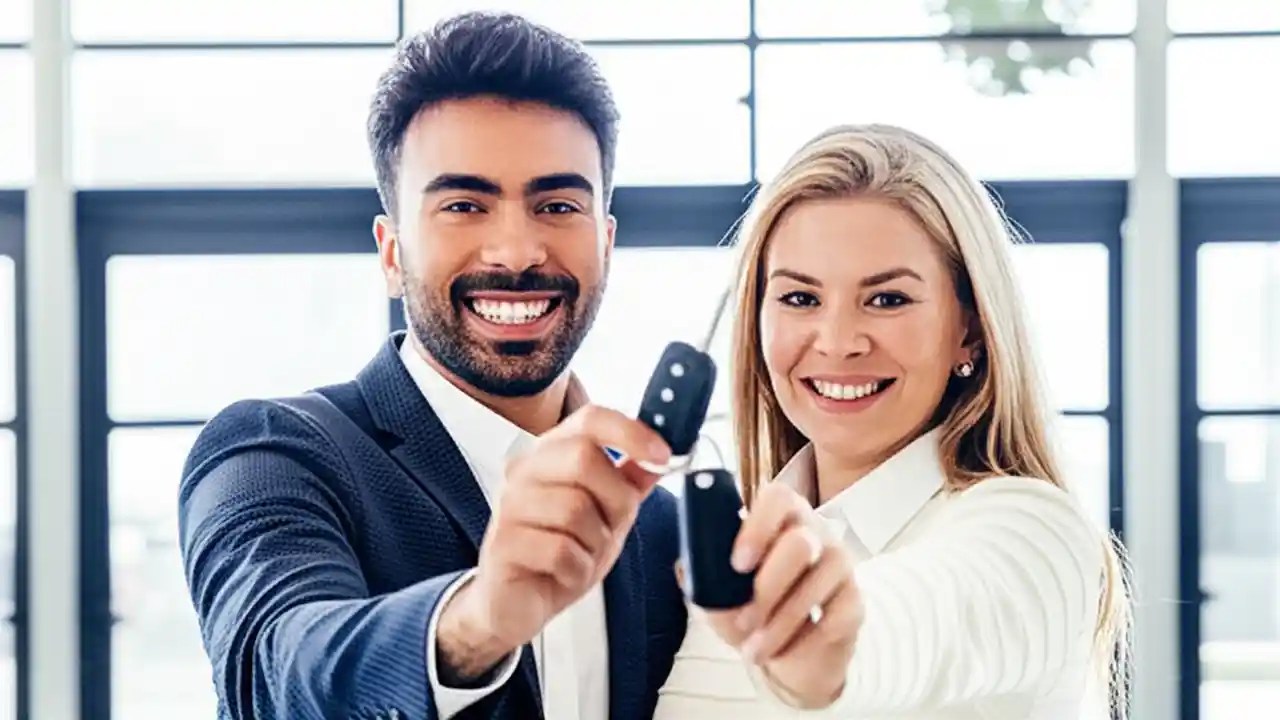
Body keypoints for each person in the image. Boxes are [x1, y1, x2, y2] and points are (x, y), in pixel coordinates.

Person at [177, 12, 687, 720]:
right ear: (392, 254)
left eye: (558, 204)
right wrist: (478, 621)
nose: (516, 251)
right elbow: (275, 670)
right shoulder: (274, 453)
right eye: (463, 205)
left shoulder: (657, 524)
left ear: (605, 241)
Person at [653, 124, 1132, 718]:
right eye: (801, 298)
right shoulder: (734, 557)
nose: (837, 341)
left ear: (971, 332)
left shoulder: (1034, 531)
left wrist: (825, 651)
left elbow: (906, 628)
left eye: (888, 299)